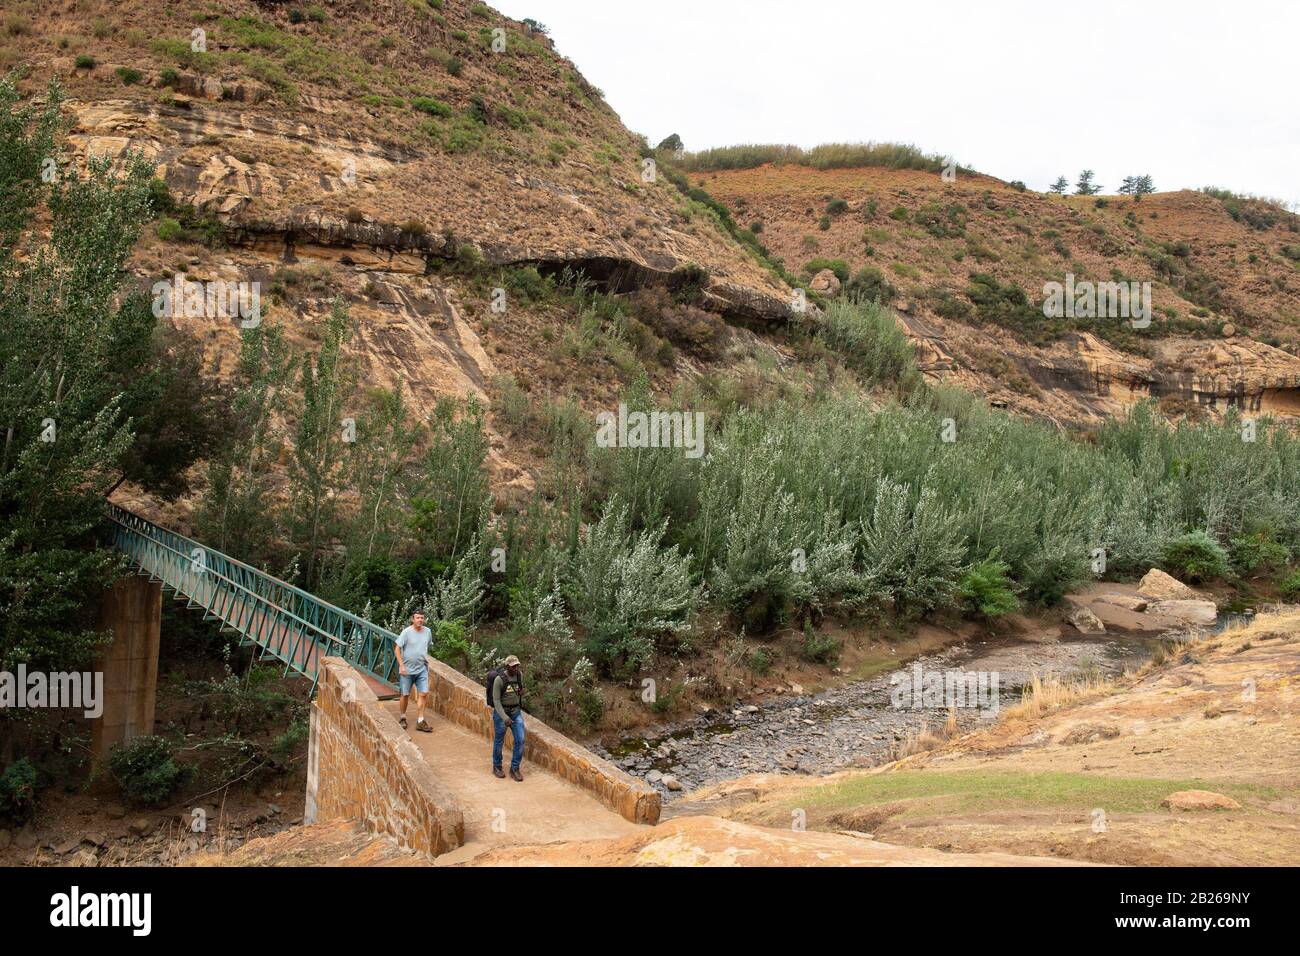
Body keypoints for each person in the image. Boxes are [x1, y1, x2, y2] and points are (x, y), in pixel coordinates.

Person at [489, 655, 525, 781]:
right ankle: (497, 766)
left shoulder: (519, 675)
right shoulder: (499, 679)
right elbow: (496, 701)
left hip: (515, 711)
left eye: (517, 666)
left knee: (520, 739)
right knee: (499, 740)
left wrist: (521, 692)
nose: (516, 668)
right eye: (513, 666)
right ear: (507, 666)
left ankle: (514, 768)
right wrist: (504, 717)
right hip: (501, 713)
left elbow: (519, 690)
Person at [396, 611, 433, 733]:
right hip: (407, 670)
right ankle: (402, 717)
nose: (420, 620)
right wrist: (401, 665)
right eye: (418, 618)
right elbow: (397, 648)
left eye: (422, 618)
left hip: (422, 668)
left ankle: (420, 721)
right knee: (405, 695)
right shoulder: (406, 632)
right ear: (413, 619)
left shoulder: (427, 631)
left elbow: (426, 645)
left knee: (423, 693)